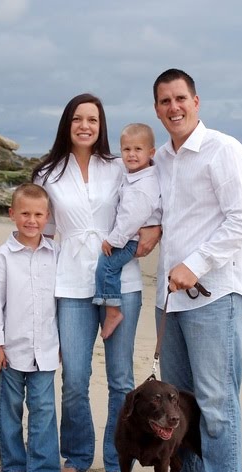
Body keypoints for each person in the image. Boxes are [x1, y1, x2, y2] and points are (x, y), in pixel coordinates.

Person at [32, 93, 160, 472]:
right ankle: (78, 453)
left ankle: (116, 459)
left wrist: (155, 227)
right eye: (77, 119)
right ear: (67, 123)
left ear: (101, 125)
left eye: (93, 119)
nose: (85, 125)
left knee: (121, 379)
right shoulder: (48, 173)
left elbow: (149, 199)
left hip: (121, 281)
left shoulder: (119, 166)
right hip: (69, 281)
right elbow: (42, 231)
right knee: (74, 377)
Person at [151, 68, 242, 472]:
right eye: (164, 101)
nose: (173, 107)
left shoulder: (224, 150)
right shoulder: (160, 157)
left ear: (197, 101)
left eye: (180, 98)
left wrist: (195, 263)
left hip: (216, 293)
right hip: (171, 297)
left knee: (217, 400)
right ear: (156, 109)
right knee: (180, 402)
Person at [0, 183, 61, 472]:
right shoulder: (2, 258)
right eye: (25, 214)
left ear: (48, 217)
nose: (32, 220)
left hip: (46, 347)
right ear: (12, 214)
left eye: (39, 214)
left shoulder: (56, 252)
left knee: (44, 409)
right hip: (12, 348)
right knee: (10, 408)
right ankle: (14, 463)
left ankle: (43, 469)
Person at [93, 123, 161, 340]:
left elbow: (131, 218)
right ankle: (111, 308)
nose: (131, 155)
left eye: (138, 149)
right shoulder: (136, 176)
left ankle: (112, 310)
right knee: (108, 266)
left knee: (106, 266)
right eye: (126, 150)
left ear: (151, 153)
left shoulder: (143, 184)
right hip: (129, 235)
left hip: (130, 239)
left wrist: (113, 241)